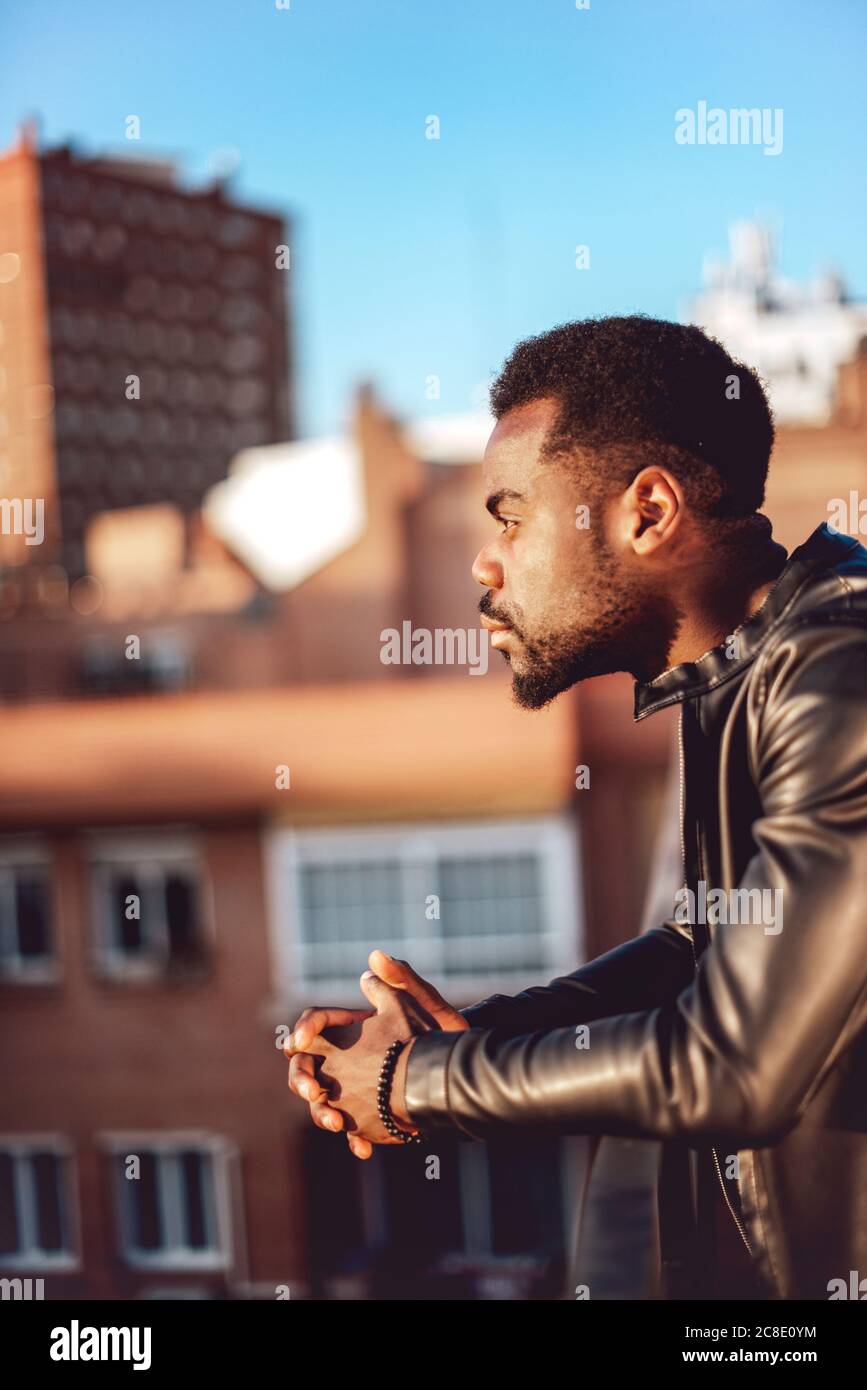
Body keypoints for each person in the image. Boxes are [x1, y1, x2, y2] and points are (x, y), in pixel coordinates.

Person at [283, 315, 867, 1301]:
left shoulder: (838, 674)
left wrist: (416, 1086)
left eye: (512, 516)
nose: (485, 562)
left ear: (647, 512)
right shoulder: (744, 670)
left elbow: (735, 1063)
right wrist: (466, 1039)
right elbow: (708, 937)